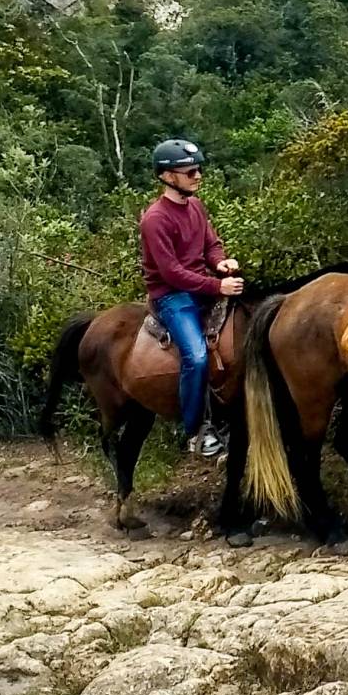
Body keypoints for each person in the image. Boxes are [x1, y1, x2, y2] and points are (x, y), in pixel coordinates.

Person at [139, 139, 244, 457]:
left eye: (199, 170)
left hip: (201, 284)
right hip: (172, 297)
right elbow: (170, 273)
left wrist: (220, 261)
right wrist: (217, 287)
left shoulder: (196, 206)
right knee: (197, 357)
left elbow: (211, 244)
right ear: (168, 177)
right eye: (190, 172)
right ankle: (196, 431)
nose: (198, 176)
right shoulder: (155, 219)